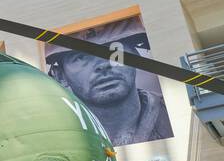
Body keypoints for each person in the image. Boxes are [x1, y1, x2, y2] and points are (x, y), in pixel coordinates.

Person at [45, 16, 174, 146]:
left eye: (114, 51)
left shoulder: (174, 112)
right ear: (60, 76)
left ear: (135, 56)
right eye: (81, 57)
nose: (102, 65)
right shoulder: (56, 138)